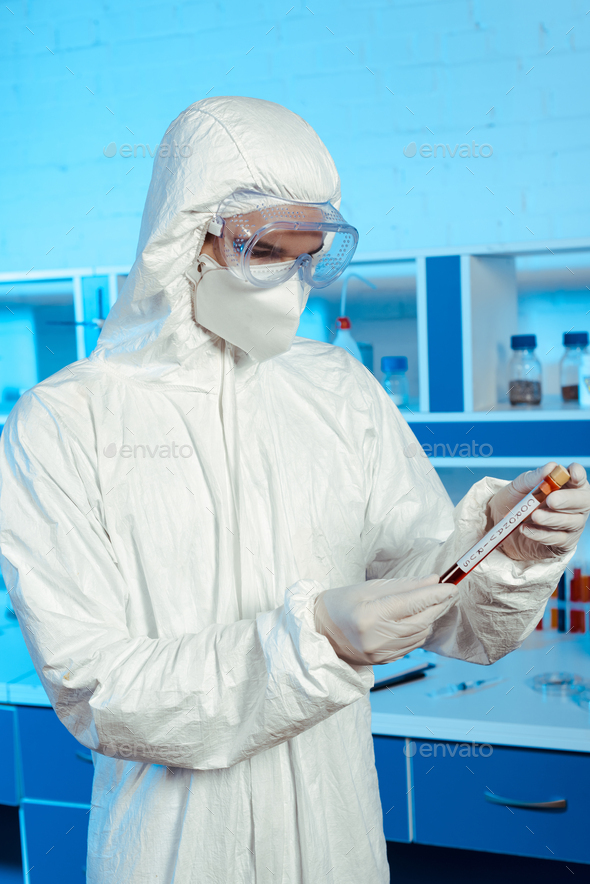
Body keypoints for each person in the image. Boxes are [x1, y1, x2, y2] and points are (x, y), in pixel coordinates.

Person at [0, 96, 588, 884]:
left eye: (308, 256)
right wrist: (313, 641)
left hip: (337, 838)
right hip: (175, 853)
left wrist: (502, 550)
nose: (292, 282)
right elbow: (97, 690)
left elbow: (448, 613)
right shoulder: (64, 425)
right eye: (266, 250)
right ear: (187, 235)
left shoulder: (338, 391)